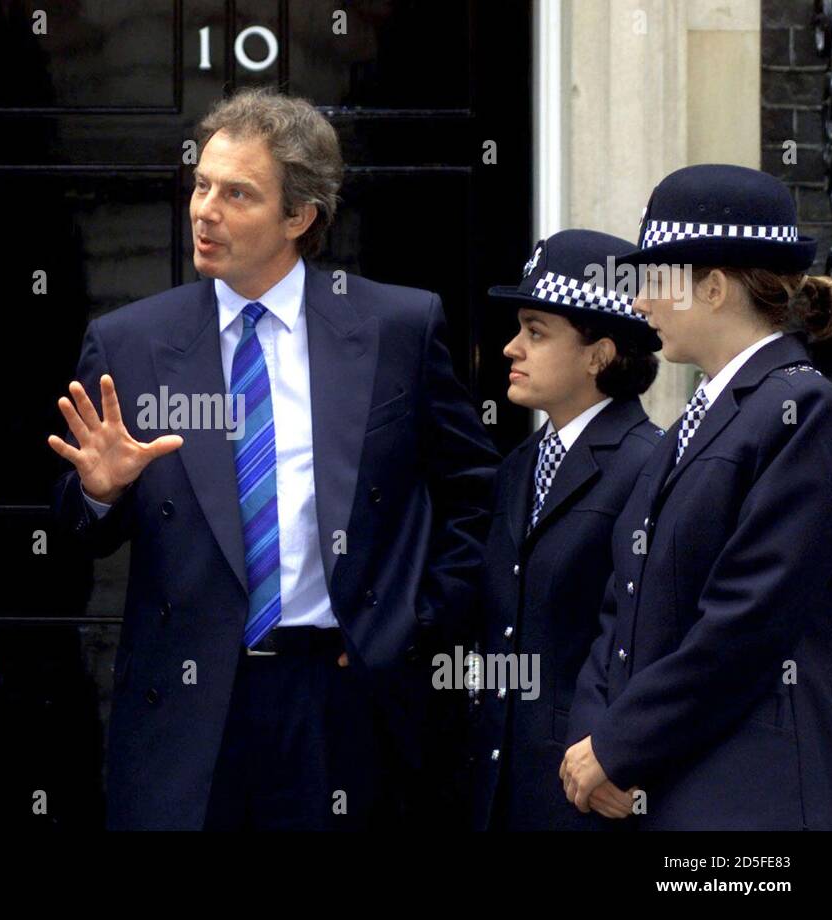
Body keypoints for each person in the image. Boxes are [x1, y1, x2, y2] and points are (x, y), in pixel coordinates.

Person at [49, 87, 499, 830]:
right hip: (185, 708)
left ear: (299, 217)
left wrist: (412, 626)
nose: (204, 210)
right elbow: (74, 530)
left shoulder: (397, 328)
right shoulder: (130, 341)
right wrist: (99, 494)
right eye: (200, 185)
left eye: (237, 194)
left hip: (343, 700)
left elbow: (474, 494)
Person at [563, 164, 832, 830]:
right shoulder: (696, 421)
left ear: (714, 288)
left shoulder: (803, 408)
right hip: (669, 786)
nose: (639, 303)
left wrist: (619, 746)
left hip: (749, 801)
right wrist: (594, 742)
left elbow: (746, 621)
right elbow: (621, 604)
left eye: (656, 281)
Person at [470, 229, 662, 830]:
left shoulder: (652, 465)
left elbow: (658, 637)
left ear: (600, 354)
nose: (510, 348)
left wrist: (626, 758)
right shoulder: (518, 466)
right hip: (497, 790)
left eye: (535, 330)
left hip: (587, 798)